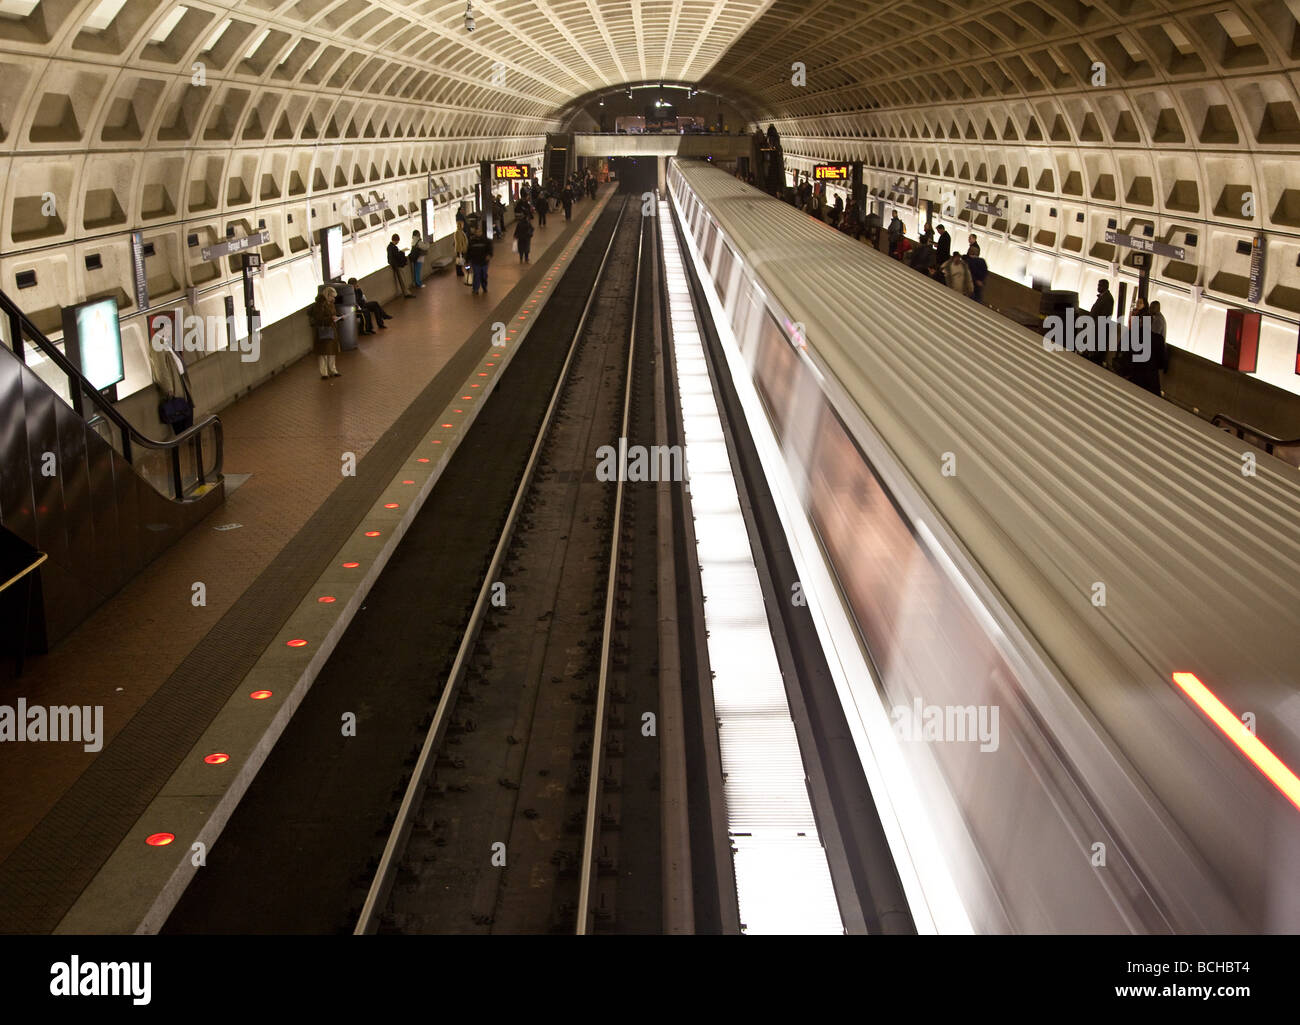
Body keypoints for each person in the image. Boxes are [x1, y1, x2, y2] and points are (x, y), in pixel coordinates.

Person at [309, 287, 343, 379]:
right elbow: (319, 319)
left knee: (332, 351)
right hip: (323, 330)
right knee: (323, 352)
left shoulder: (331, 304)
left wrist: (337, 318)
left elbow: (332, 315)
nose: (333, 299)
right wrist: (331, 319)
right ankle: (324, 372)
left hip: (331, 329)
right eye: (332, 296)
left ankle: (333, 369)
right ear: (327, 295)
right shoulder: (319, 305)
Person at [466, 225, 493, 295]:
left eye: (479, 232)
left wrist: (489, 255)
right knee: (476, 275)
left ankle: (484, 287)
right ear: (475, 233)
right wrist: (467, 263)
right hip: (475, 262)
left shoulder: (486, 240)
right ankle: (475, 289)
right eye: (477, 232)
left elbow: (490, 249)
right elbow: (468, 252)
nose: (478, 233)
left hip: (484, 261)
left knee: (484, 275)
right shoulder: (472, 241)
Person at [387, 234, 413, 298]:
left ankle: (407, 293)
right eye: (397, 241)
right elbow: (397, 256)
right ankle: (407, 293)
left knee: (402, 279)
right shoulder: (394, 247)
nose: (398, 242)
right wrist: (402, 252)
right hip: (397, 265)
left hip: (394, 265)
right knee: (403, 280)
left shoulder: (389, 247)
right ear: (395, 240)